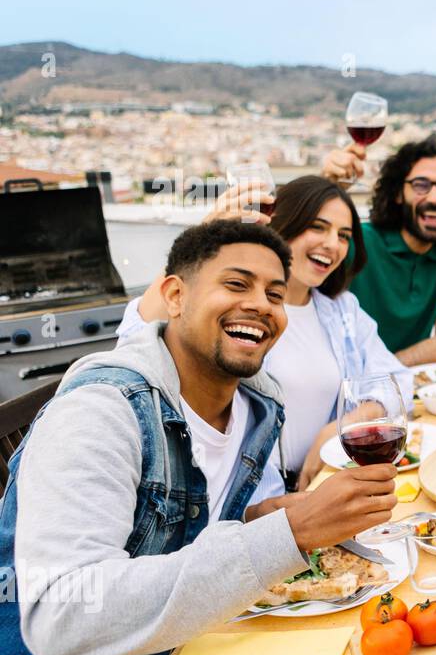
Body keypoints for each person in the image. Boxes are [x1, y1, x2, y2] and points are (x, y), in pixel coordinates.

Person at [0, 221, 398, 655]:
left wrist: (263, 516)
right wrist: (289, 532)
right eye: (237, 285)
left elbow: (179, 539)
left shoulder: (256, 408)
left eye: (275, 294)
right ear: (174, 295)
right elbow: (61, 615)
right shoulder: (100, 412)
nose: (261, 305)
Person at [118, 175, 414, 490]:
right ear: (278, 224)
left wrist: (338, 430)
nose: (332, 244)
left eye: (343, 235)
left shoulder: (342, 310)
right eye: (317, 227)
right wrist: (201, 241)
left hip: (324, 486)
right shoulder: (235, 312)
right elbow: (133, 346)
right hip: (250, 505)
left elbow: (399, 381)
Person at [323, 136, 436, 362]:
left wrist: (384, 373)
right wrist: (327, 186)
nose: (435, 198)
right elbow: (301, 253)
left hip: (397, 384)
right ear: (397, 193)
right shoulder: (359, 240)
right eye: (421, 185)